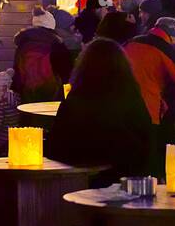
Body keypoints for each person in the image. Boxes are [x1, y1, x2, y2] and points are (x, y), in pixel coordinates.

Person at [48, 38, 154, 186]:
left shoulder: (74, 100)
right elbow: (145, 137)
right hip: (122, 179)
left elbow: (55, 146)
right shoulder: (130, 97)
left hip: (76, 181)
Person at [124, 19, 175, 169]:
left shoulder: (131, 43)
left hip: (124, 109)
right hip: (149, 110)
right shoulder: (163, 48)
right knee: (150, 160)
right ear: (172, 35)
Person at [11, 8, 73, 104]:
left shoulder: (23, 44)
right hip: (52, 96)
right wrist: (68, 98)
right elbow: (66, 74)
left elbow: (17, 72)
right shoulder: (57, 45)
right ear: (52, 26)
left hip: (27, 96)